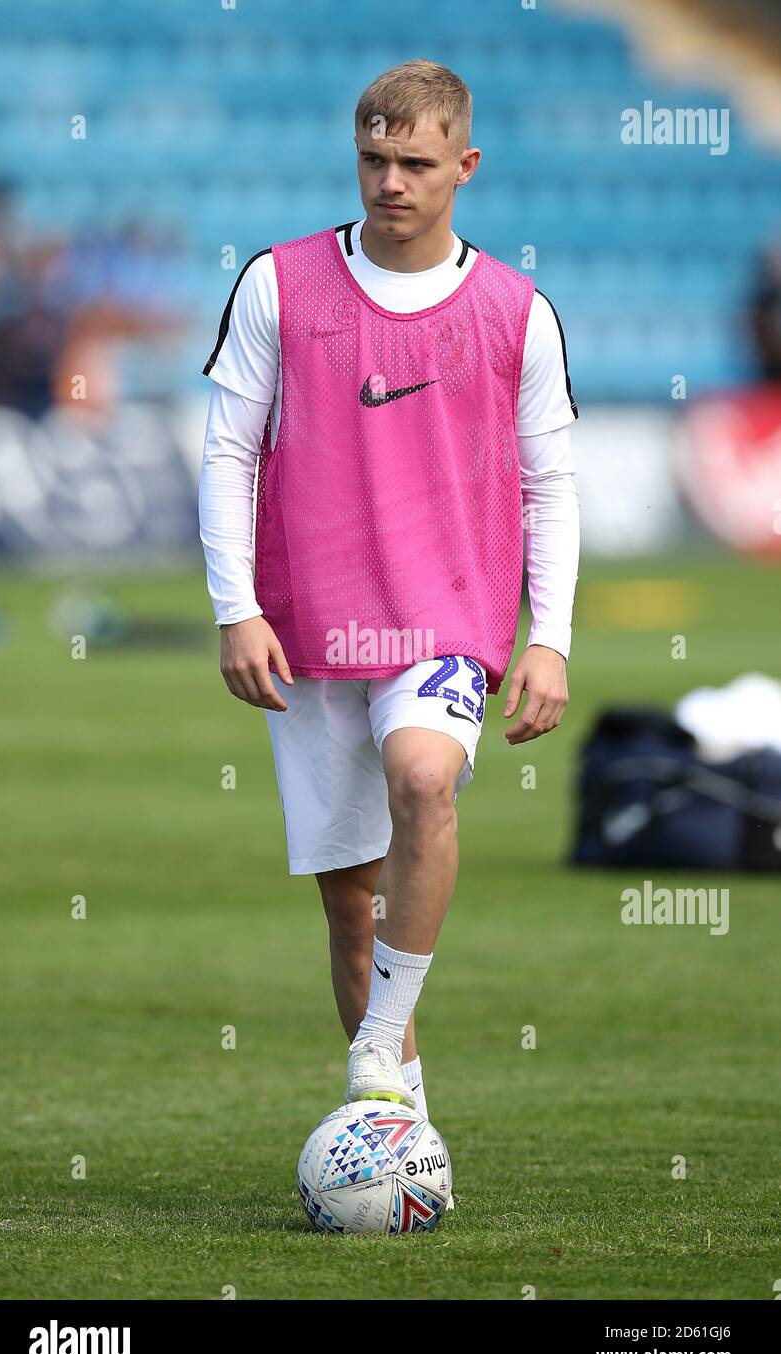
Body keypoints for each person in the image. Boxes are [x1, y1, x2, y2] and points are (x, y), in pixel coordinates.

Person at [198, 60, 580, 1144]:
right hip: (311, 625)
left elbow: (551, 486)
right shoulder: (278, 283)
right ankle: (400, 1135)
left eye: (416, 163)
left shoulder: (517, 311)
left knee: (426, 779)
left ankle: (379, 1040)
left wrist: (544, 641)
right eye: (373, 159)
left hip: (441, 620)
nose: (391, 182)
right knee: (351, 917)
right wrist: (238, 608)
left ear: (465, 165)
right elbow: (228, 453)